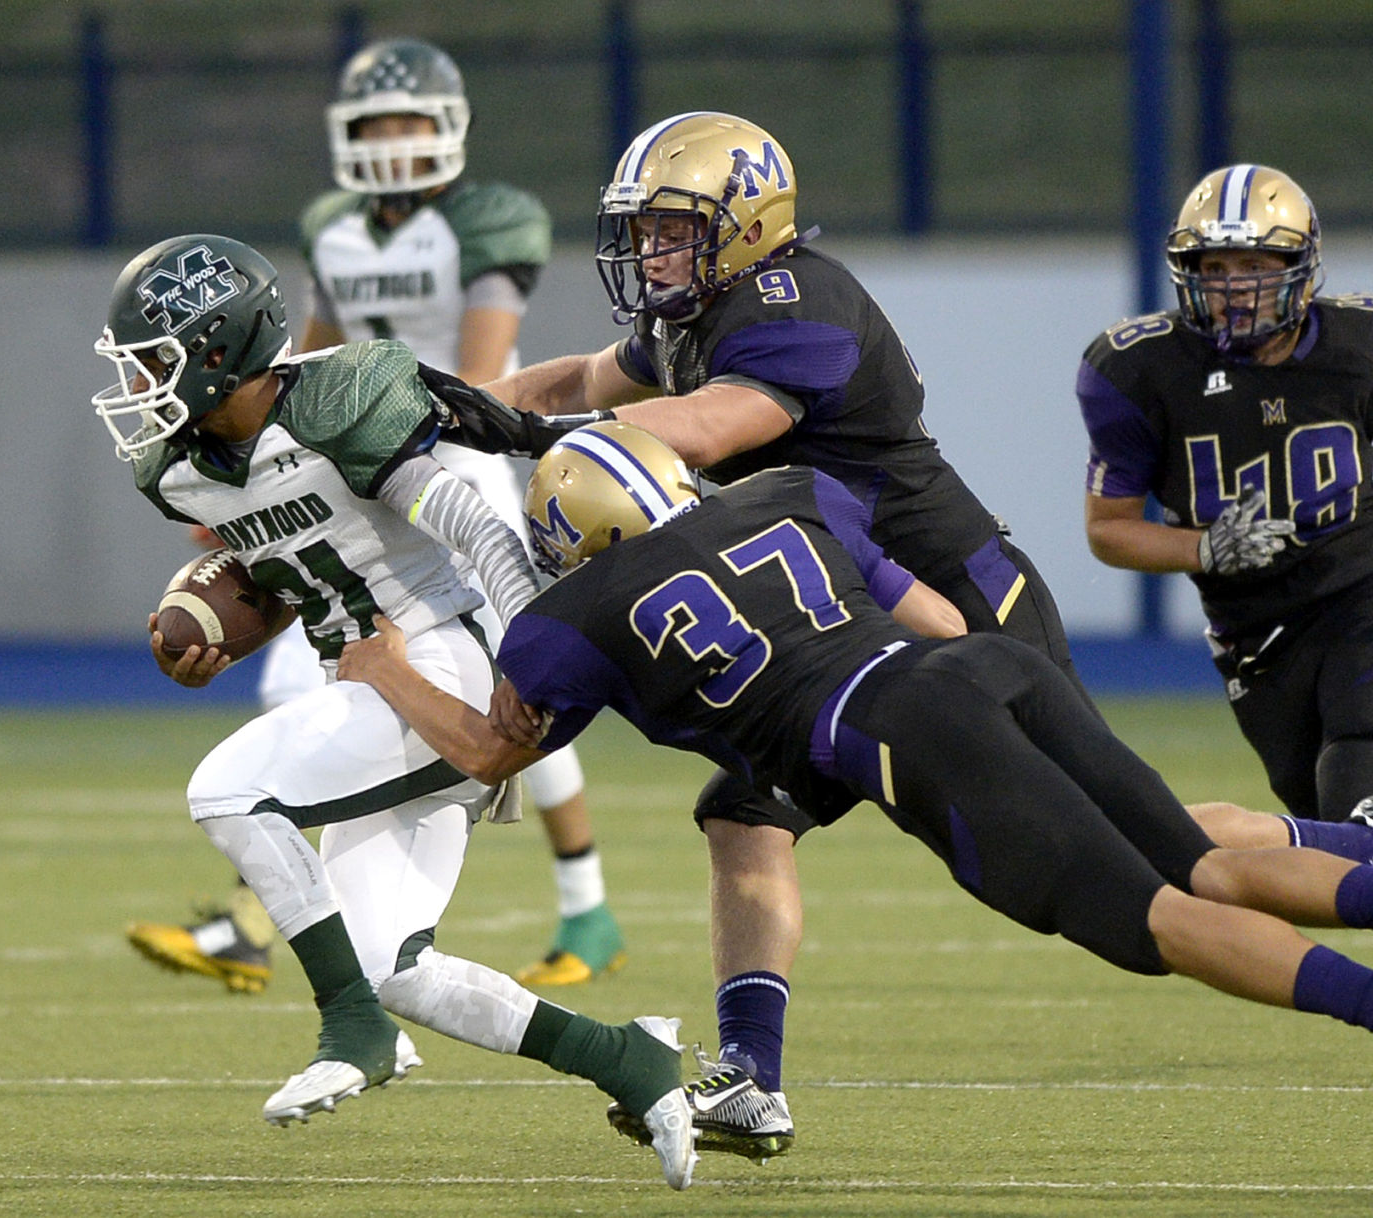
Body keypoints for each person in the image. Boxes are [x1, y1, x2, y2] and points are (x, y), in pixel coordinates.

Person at [337, 422, 1373, 1183]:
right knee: (1194, 857)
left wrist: (386, 667)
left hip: (891, 731)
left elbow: (492, 754)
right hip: (972, 669)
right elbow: (923, 616)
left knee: (1152, 930)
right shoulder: (786, 497)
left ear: (576, 537)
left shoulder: (569, 616)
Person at [416, 110, 1096, 1160]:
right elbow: (573, 384)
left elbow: (705, 428)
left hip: (955, 609)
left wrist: (535, 436)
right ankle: (751, 1081)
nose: (650, 250)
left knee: (1110, 851)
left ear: (745, 225)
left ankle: (1367, 863)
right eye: (641, 230)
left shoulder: (796, 299)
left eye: (672, 229)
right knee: (742, 813)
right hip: (834, 627)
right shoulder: (693, 317)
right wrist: (444, 413)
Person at [92, 235, 697, 1190]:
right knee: (391, 963)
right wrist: (217, 635)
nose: (136, 379)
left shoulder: (332, 406)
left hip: (439, 661)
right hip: (365, 687)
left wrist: (529, 655)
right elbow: (290, 568)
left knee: (227, 789)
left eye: (153, 358)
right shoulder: (180, 468)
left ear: (220, 350)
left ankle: (350, 1028)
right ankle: (630, 1060)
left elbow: (473, 524)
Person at [123, 37, 624, 995]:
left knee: (517, 682)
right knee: (304, 689)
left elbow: (480, 366)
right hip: (345, 457)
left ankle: (585, 902)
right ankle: (255, 920)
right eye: (375, 125)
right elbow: (299, 355)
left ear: (448, 129)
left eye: (409, 122)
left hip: (438, 457)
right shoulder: (332, 229)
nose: (392, 142)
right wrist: (262, 472)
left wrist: (370, 448)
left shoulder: (486, 221)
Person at [1076, 164, 1373, 938]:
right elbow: (1109, 528)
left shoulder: (1367, 342)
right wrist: (1206, 547)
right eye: (1214, 269)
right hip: (1255, 636)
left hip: (1369, 594)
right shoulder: (1137, 370)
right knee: (1341, 857)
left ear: (1300, 267)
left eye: (1256, 266)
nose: (1234, 287)